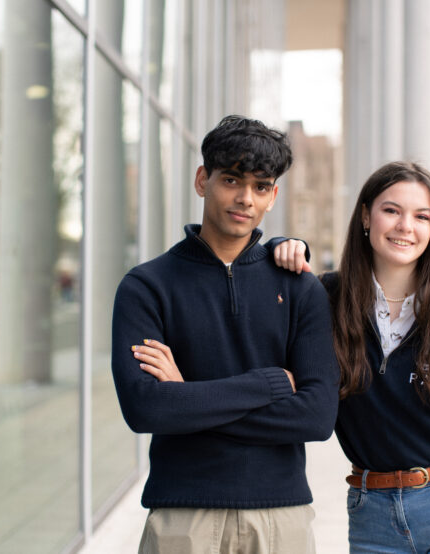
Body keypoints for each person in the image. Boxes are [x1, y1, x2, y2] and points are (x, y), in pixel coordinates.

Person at [273, 161, 430, 553]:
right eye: (391, 210)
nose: (405, 226)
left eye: (421, 216)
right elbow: (263, 320)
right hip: (371, 511)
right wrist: (278, 249)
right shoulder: (325, 302)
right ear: (365, 215)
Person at [111, 115, 339, 554]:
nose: (244, 198)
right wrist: (269, 384)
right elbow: (146, 409)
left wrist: (187, 397)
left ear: (273, 196)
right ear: (202, 180)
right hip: (183, 513)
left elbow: (316, 416)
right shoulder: (146, 286)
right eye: (231, 179)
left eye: (259, 186)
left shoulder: (299, 287)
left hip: (279, 516)